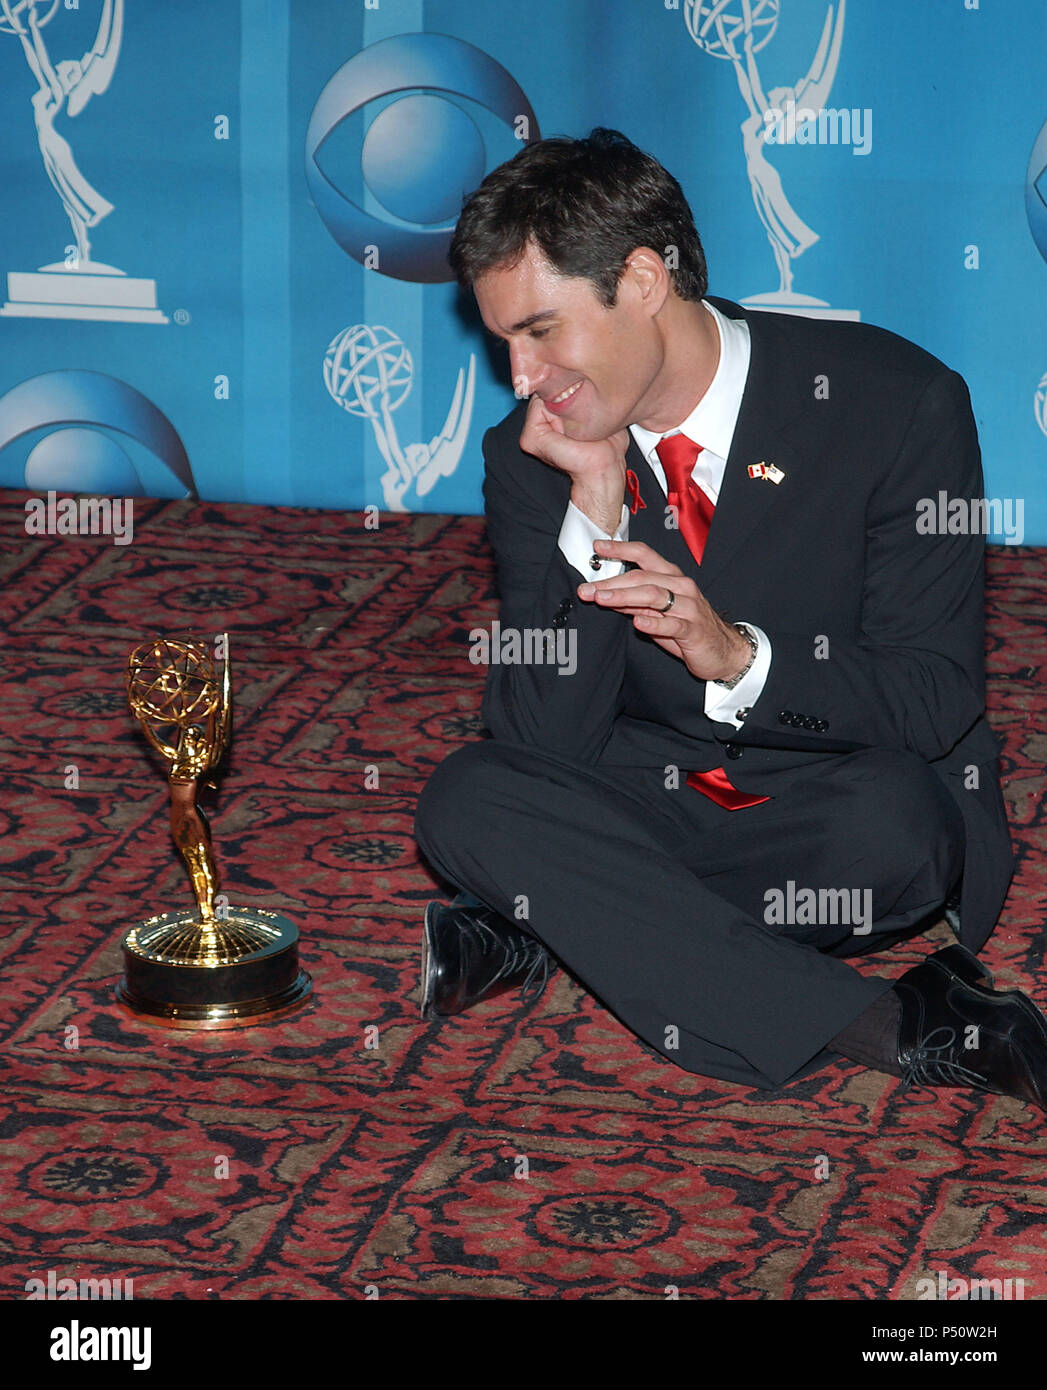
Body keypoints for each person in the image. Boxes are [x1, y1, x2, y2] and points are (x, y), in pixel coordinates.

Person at [414, 128, 1047, 1112]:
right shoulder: (531, 450)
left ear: (643, 280)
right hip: (645, 780)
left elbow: (934, 696)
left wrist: (741, 658)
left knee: (901, 828)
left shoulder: (897, 405)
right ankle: (897, 1024)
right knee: (468, 800)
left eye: (541, 330)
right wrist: (593, 510)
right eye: (503, 342)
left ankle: (557, 915)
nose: (522, 377)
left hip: (834, 789)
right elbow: (541, 742)